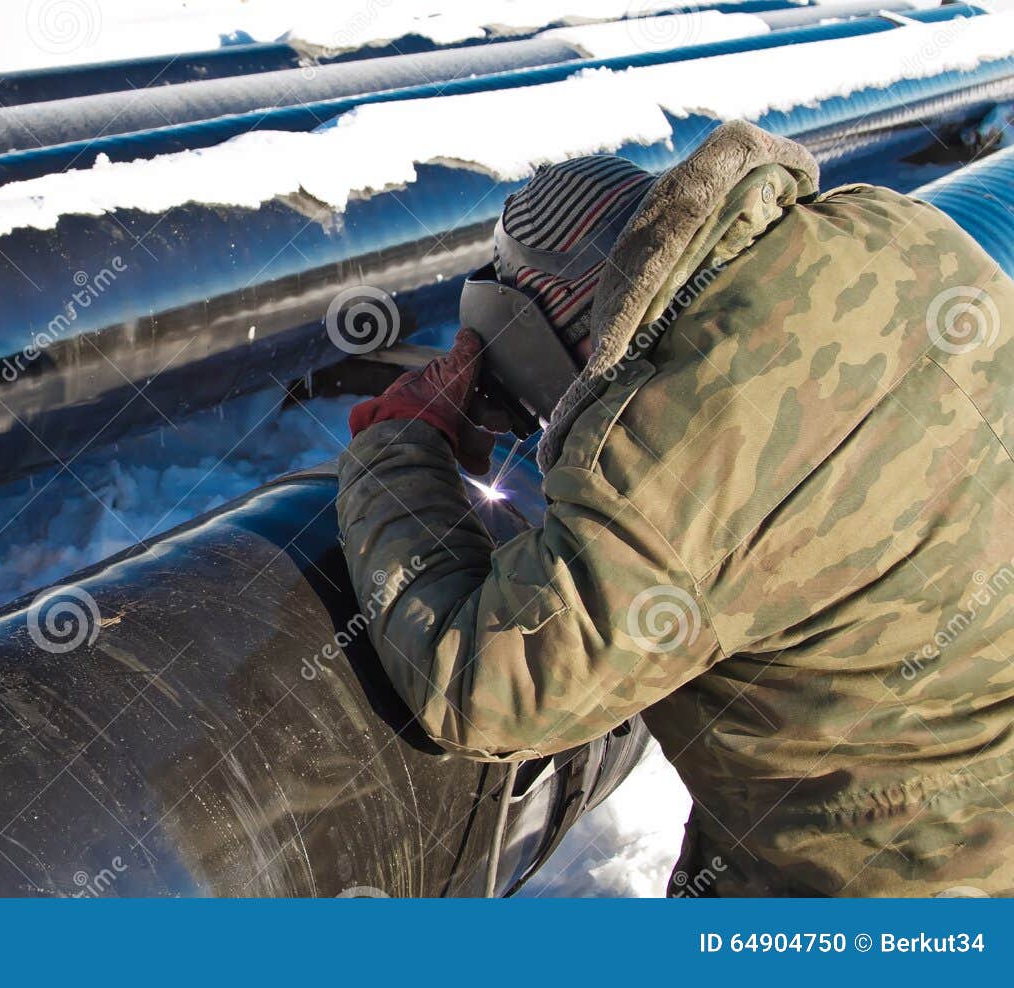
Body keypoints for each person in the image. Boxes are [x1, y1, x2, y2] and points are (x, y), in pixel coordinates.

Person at [337, 120, 1014, 896]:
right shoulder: (888, 228)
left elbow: (483, 689)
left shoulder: (672, 444)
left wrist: (400, 449)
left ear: (556, 321)